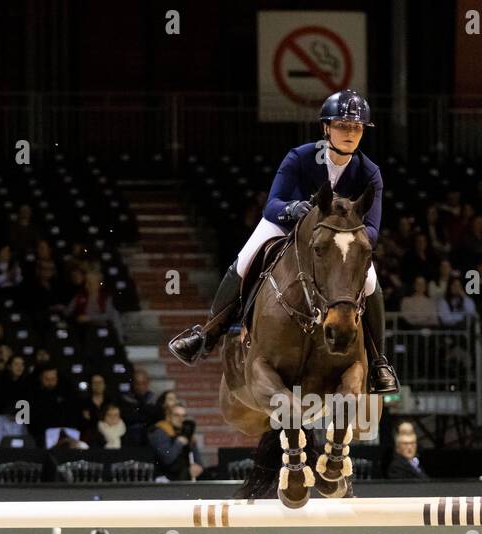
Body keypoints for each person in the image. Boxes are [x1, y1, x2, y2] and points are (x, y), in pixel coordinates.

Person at [168, 90, 398, 393]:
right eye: (342, 125)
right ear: (326, 128)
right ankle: (206, 335)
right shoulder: (300, 157)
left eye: (356, 128)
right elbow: (272, 204)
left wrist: (345, 239)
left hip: (337, 243)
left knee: (370, 282)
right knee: (246, 259)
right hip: (286, 226)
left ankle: (379, 362)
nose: (349, 133)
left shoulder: (370, 174)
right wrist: (294, 208)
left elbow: (372, 229)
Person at [148, 400, 203, 481]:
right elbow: (167, 458)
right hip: (164, 479)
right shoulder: (159, 431)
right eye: (176, 415)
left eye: (183, 416)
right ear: (169, 416)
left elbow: (196, 457)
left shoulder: (185, 431)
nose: (181, 419)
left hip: (184, 479)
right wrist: (179, 443)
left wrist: (198, 466)